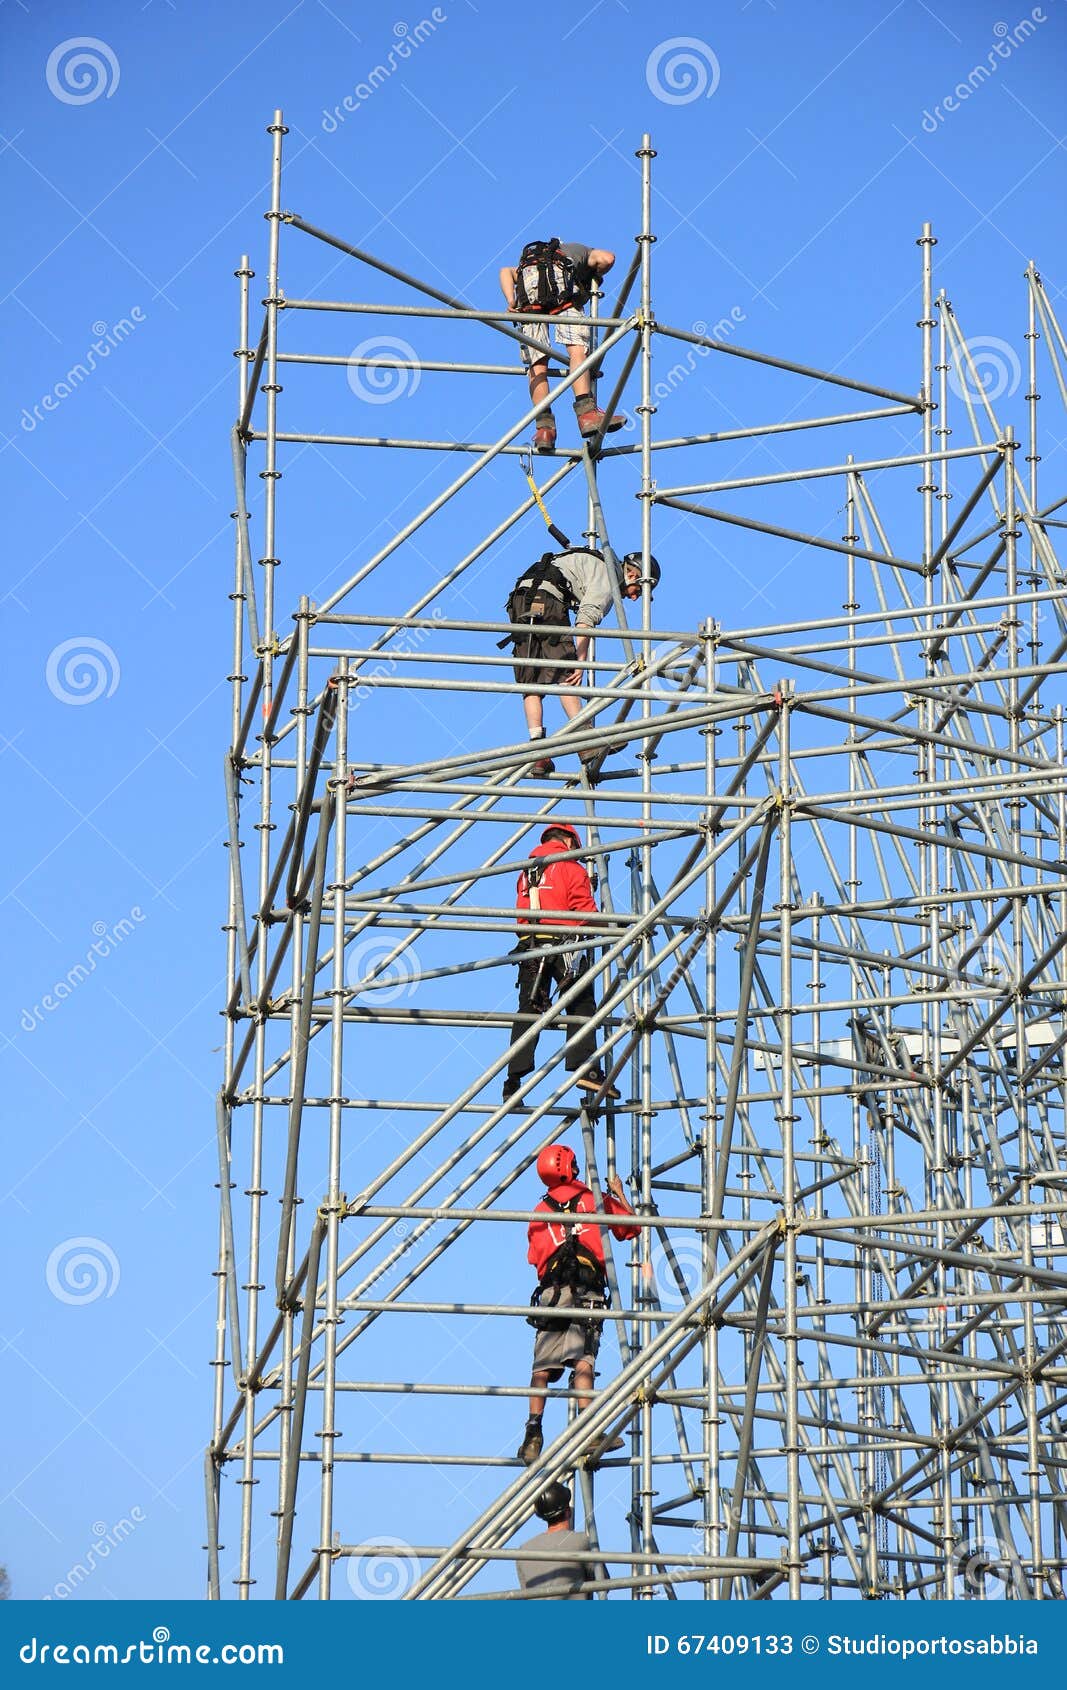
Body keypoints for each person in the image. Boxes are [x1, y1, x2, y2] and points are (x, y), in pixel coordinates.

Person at [517, 1142, 639, 1466]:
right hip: (586, 1292)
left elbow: (535, 1258)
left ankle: (533, 1432)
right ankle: (587, 1430)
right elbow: (630, 1227)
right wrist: (618, 1194)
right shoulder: (592, 1199)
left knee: (542, 1367)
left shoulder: (540, 1212)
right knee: (583, 1360)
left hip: (551, 1294)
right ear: (572, 1167)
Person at [504, 548, 661, 777]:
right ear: (633, 575)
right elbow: (584, 623)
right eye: (639, 590)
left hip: (521, 600)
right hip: (548, 601)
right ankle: (586, 742)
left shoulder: (594, 562)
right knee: (566, 675)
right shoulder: (608, 578)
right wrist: (579, 663)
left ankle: (538, 753)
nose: (635, 597)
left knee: (531, 683)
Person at [505, 823, 619, 1103]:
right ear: (568, 841)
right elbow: (584, 911)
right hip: (565, 945)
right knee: (580, 1004)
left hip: (531, 946)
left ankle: (512, 1079)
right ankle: (586, 1070)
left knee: (528, 1010)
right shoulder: (570, 867)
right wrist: (610, 927)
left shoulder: (528, 871)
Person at [499, 238, 625, 452]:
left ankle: (544, 428)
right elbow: (607, 258)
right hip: (563, 294)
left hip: (530, 295)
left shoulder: (530, 261)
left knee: (537, 363)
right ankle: (587, 414)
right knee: (577, 351)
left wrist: (511, 301)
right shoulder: (579, 251)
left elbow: (505, 271)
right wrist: (589, 276)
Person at [515, 1482, 604, 1600]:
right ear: (568, 1512)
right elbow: (603, 1584)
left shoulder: (524, 1550)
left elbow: (525, 1595)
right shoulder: (581, 1541)